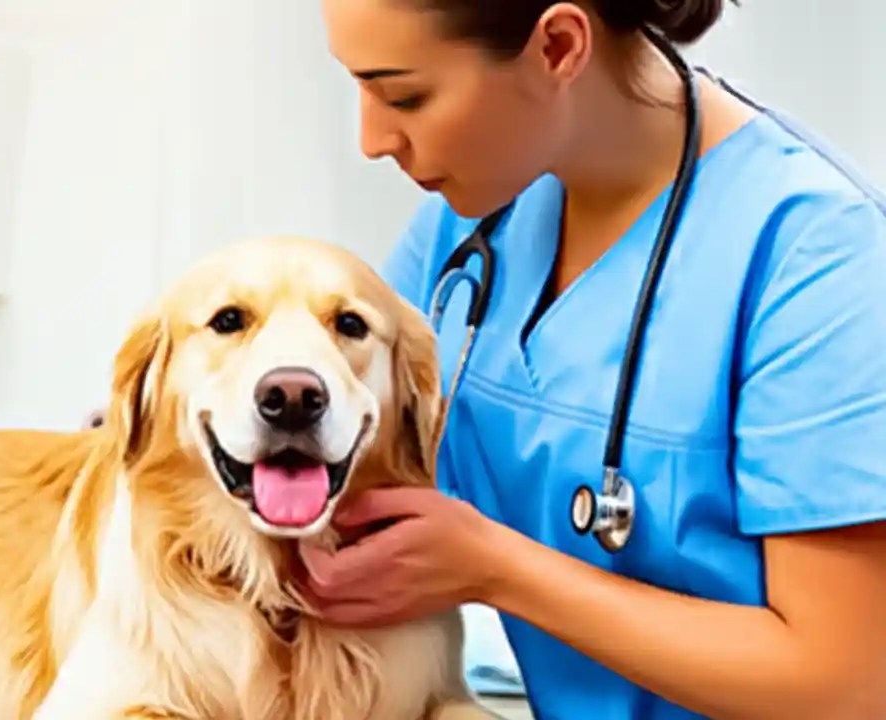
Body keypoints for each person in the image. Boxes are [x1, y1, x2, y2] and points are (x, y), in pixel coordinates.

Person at [296, 1, 886, 718]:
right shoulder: (471, 223)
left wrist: (495, 570)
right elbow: (346, 464)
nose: (371, 138)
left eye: (404, 96)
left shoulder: (814, 258)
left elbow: (844, 683)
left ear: (558, 46)